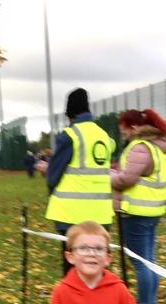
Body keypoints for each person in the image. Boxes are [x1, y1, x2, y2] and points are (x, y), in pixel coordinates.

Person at [37, 88, 115, 274]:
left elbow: (53, 175)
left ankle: (76, 303)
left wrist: (46, 171)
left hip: (71, 216)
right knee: (98, 268)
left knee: (73, 270)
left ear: (69, 114)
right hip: (101, 214)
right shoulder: (104, 136)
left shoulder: (70, 136)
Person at [110, 108, 166, 304]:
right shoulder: (158, 146)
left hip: (136, 212)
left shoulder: (140, 147)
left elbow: (126, 179)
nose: (123, 134)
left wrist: (108, 175)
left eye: (123, 129)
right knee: (149, 259)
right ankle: (149, 303)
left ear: (134, 127)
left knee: (140, 261)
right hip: (153, 210)